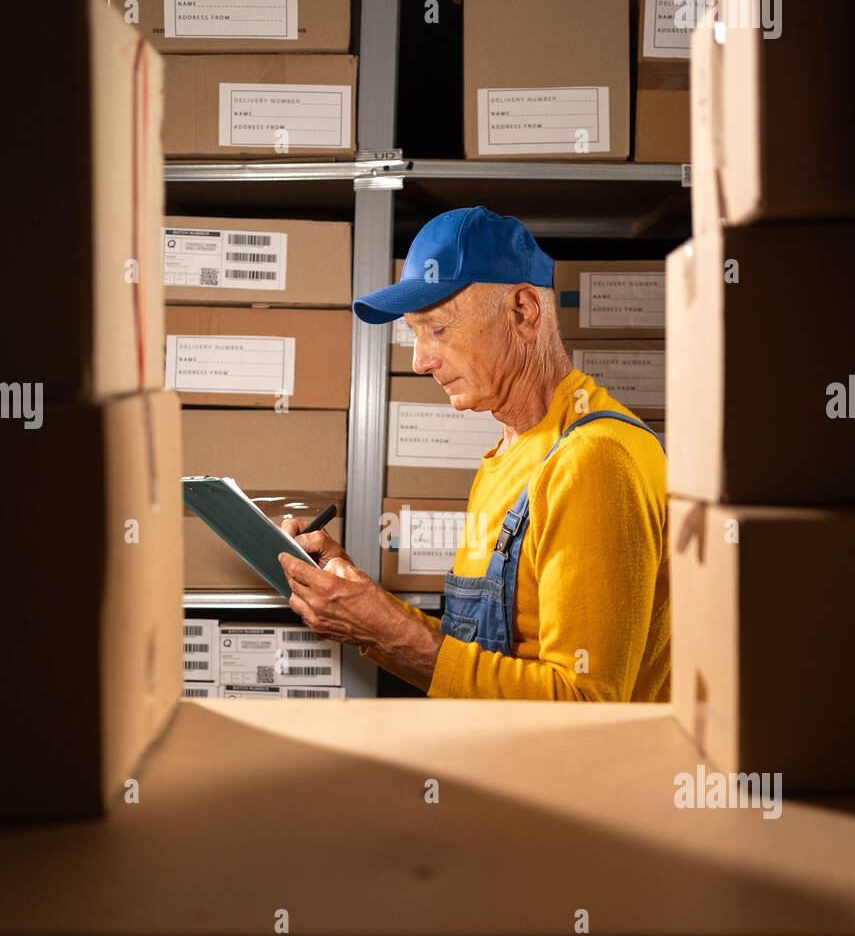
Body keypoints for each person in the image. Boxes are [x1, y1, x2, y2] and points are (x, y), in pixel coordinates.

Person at [278, 206, 669, 701]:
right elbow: (473, 660)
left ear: (523, 313)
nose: (420, 361)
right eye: (414, 334)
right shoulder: (508, 456)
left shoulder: (595, 460)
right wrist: (365, 609)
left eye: (438, 329)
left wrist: (387, 631)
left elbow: (585, 707)